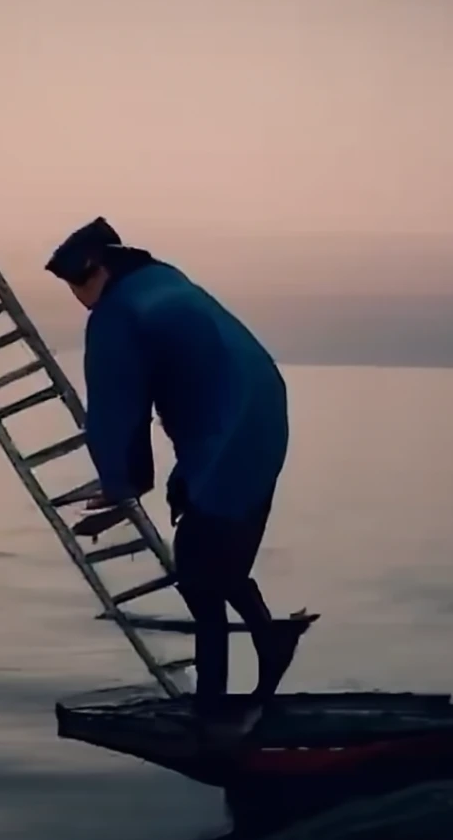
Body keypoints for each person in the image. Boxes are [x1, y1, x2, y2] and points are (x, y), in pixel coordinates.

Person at [45, 217, 307, 725]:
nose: (78, 298)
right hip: (262, 415)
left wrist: (121, 485)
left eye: (76, 285)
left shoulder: (118, 313)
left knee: (197, 575)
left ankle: (210, 710)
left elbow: (116, 407)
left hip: (227, 434)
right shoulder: (165, 280)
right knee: (218, 554)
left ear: (94, 270)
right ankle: (271, 642)